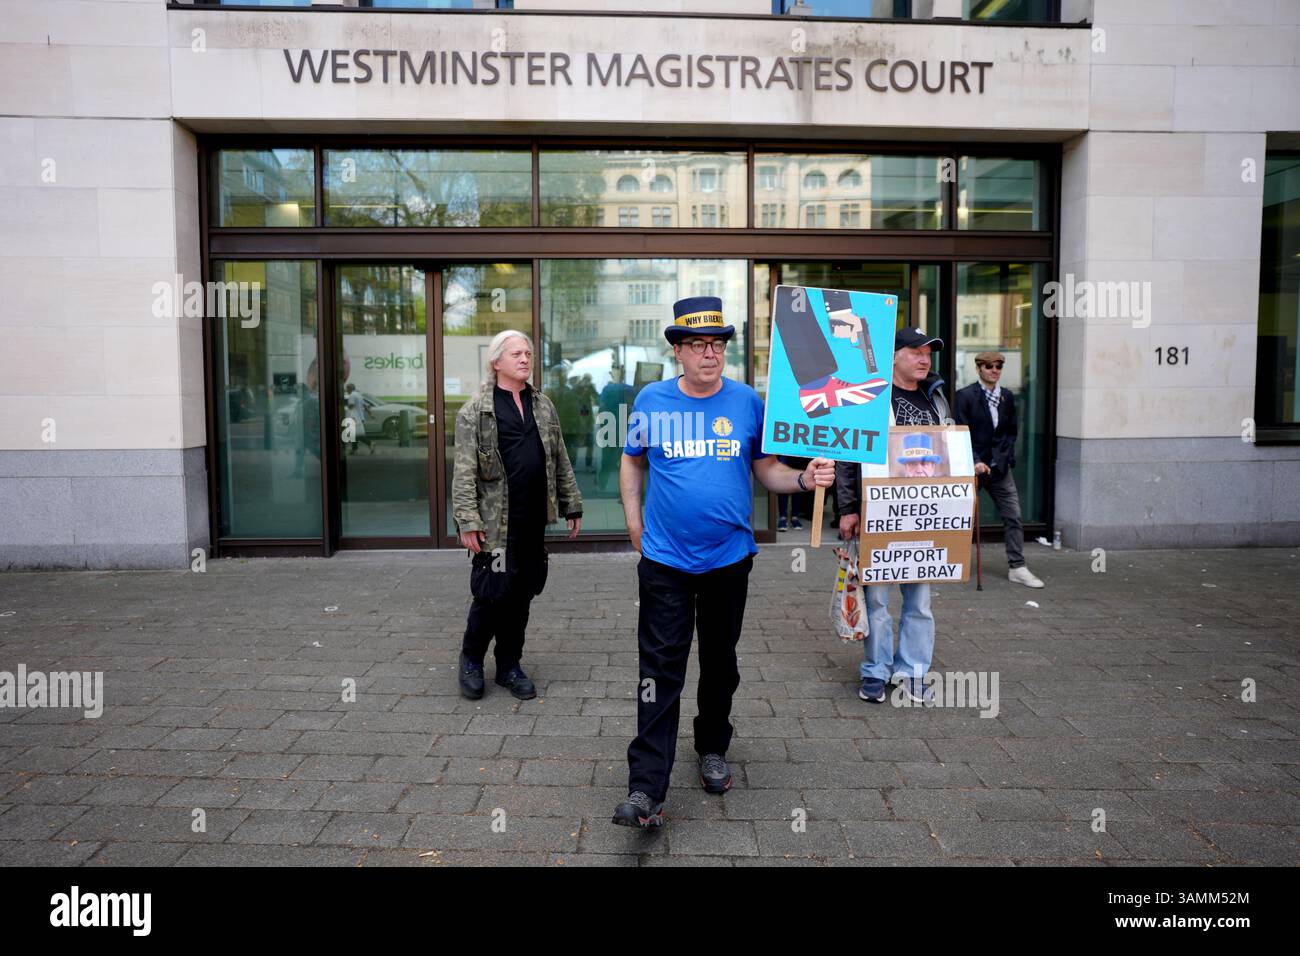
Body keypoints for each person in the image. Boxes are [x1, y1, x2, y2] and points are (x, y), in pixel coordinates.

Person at [612, 296, 835, 830]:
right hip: (664, 559)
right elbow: (631, 459)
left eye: (717, 344)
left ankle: (712, 747)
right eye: (697, 345)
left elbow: (768, 470)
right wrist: (633, 522)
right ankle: (646, 788)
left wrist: (805, 480)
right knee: (660, 669)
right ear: (678, 352)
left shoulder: (746, 403)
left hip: (729, 560)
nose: (709, 354)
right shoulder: (651, 399)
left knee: (720, 663)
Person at [451, 330, 583, 701]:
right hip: (495, 526)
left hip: (531, 521)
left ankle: (509, 665)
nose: (525, 359)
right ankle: (472, 660)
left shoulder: (544, 405)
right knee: (492, 593)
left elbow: (560, 459)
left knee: (522, 594)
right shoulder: (475, 411)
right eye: (516, 354)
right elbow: (463, 473)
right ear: (496, 362)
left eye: (528, 353)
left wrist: (572, 503)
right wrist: (467, 521)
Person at [835, 327, 951, 707]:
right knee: (877, 601)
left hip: (924, 517)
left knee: (919, 602)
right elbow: (848, 455)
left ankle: (913, 673)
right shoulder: (871, 399)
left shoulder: (937, 399)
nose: (924, 359)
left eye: (928, 353)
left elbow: (952, 449)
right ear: (893, 356)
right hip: (879, 514)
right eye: (915, 351)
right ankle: (875, 671)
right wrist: (848, 507)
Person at [955, 351, 1044, 589]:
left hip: (1000, 469)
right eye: (989, 366)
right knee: (961, 519)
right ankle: (952, 564)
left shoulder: (1006, 396)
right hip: (973, 468)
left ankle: (1017, 567)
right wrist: (974, 460)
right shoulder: (964, 396)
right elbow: (961, 432)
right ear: (978, 369)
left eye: (998, 366)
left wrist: (1005, 457)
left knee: (1013, 516)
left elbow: (1011, 432)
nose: (994, 370)